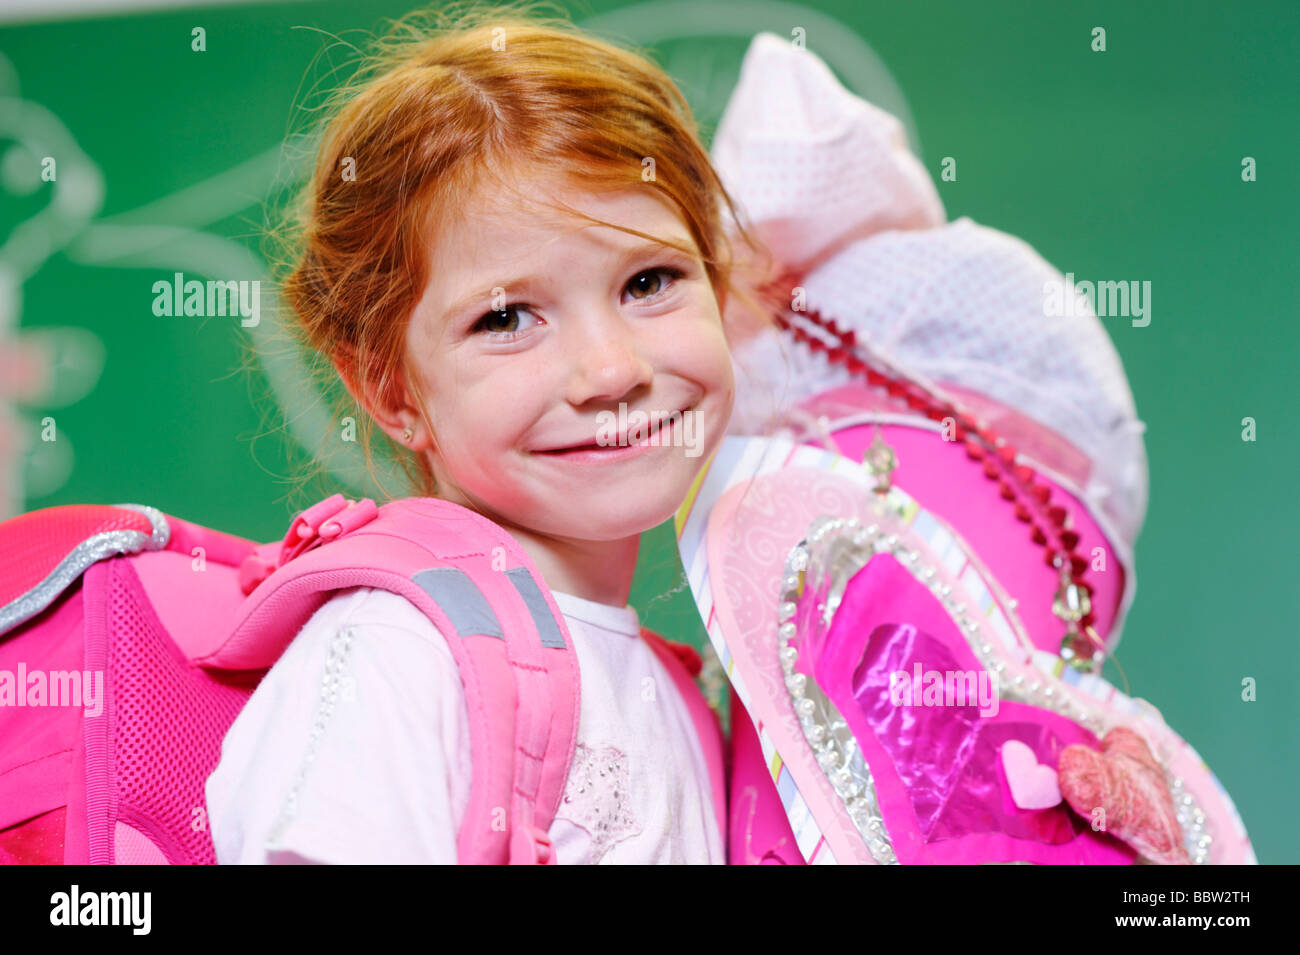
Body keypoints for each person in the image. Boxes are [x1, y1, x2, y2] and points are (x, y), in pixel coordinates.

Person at [204, 1, 782, 864]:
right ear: (389, 387)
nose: (612, 368)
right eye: (507, 317)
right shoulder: (396, 656)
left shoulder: (685, 694)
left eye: (650, 280)